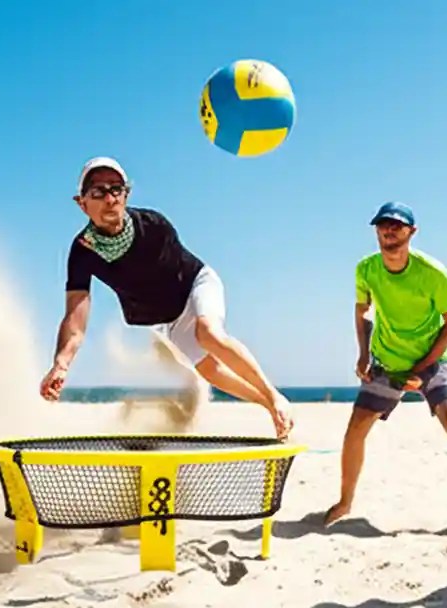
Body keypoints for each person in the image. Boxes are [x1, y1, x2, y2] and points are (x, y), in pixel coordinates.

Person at [39, 157, 293, 438]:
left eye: (116, 189)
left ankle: (273, 395)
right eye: (98, 192)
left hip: (196, 285)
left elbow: (158, 280)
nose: (109, 198)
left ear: (126, 195)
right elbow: (76, 318)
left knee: (208, 333)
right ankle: (271, 406)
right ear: (82, 203)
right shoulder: (82, 252)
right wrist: (61, 365)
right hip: (168, 319)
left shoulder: (153, 225)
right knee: (210, 370)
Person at [323, 202, 447, 530]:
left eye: (397, 225)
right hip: (388, 360)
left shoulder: (434, 273)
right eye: (383, 225)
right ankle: (345, 502)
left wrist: (423, 368)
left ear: (412, 232)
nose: (389, 230)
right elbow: (363, 311)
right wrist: (363, 355)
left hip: (434, 358)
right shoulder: (366, 269)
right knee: (356, 427)